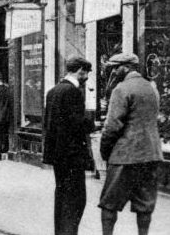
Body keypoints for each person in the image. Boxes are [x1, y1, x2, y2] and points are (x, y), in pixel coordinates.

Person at [98, 52, 163, 235]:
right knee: (144, 205)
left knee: (109, 204)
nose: (113, 71)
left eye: (115, 68)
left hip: (125, 155)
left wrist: (105, 152)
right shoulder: (151, 88)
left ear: (125, 67)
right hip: (151, 154)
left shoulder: (121, 89)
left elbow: (112, 126)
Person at [43, 56, 95, 235]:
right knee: (76, 199)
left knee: (62, 196)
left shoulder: (53, 90)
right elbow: (76, 123)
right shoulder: (73, 92)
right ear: (80, 70)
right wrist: (92, 124)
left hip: (58, 154)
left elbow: (50, 124)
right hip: (72, 155)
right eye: (86, 73)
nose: (87, 77)